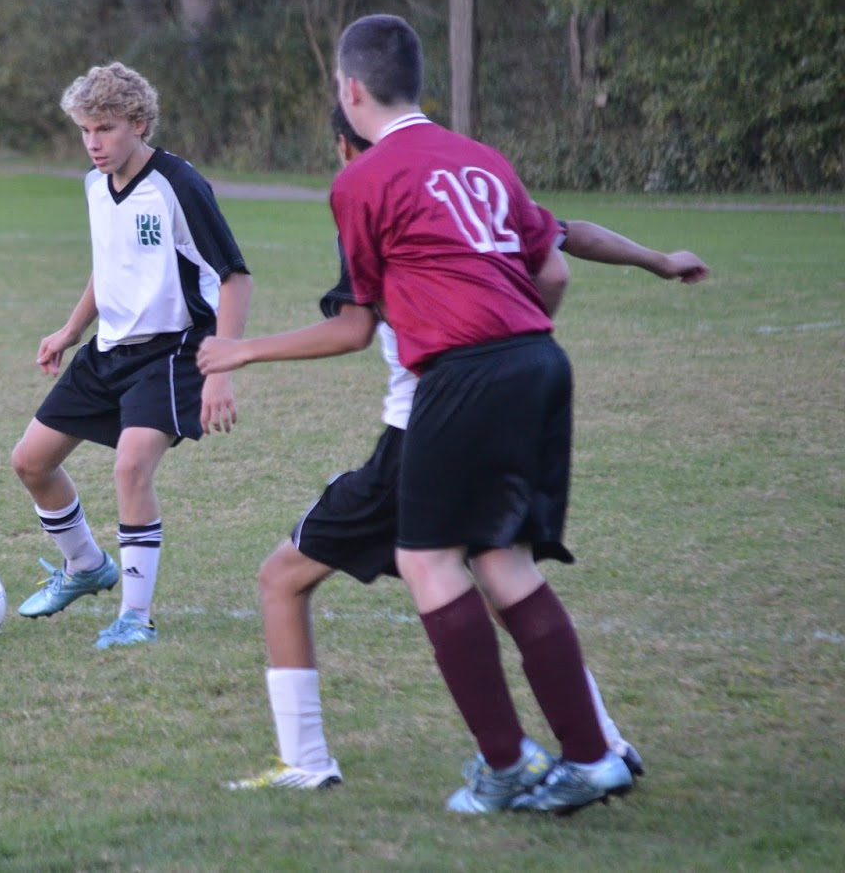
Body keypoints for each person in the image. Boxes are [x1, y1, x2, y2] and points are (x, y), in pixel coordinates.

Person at [199, 104, 708, 794]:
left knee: (283, 576)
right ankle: (601, 743)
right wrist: (656, 260)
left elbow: (351, 328)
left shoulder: (378, 204)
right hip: (504, 397)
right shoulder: (467, 183)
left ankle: (310, 761)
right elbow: (560, 251)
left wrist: (242, 350)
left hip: (426, 427)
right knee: (503, 573)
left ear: (349, 144)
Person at [317, 12, 647, 814]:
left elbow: (360, 323)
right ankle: (591, 757)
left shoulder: (359, 180)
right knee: (502, 558)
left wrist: (240, 352)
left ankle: (506, 763)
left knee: (429, 560)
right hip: (537, 361)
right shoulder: (481, 157)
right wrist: (514, 333)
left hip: (462, 374)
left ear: (351, 89)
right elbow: (554, 271)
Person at [10, 62, 252, 648]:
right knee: (30, 462)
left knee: (130, 468)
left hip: (171, 351)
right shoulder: (96, 185)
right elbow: (111, 264)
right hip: (107, 350)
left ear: (138, 123)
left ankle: (135, 618)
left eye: (105, 128)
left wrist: (220, 368)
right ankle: (87, 566)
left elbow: (234, 279)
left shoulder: (178, 186)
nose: (93, 142)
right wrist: (70, 330)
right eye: (85, 130)